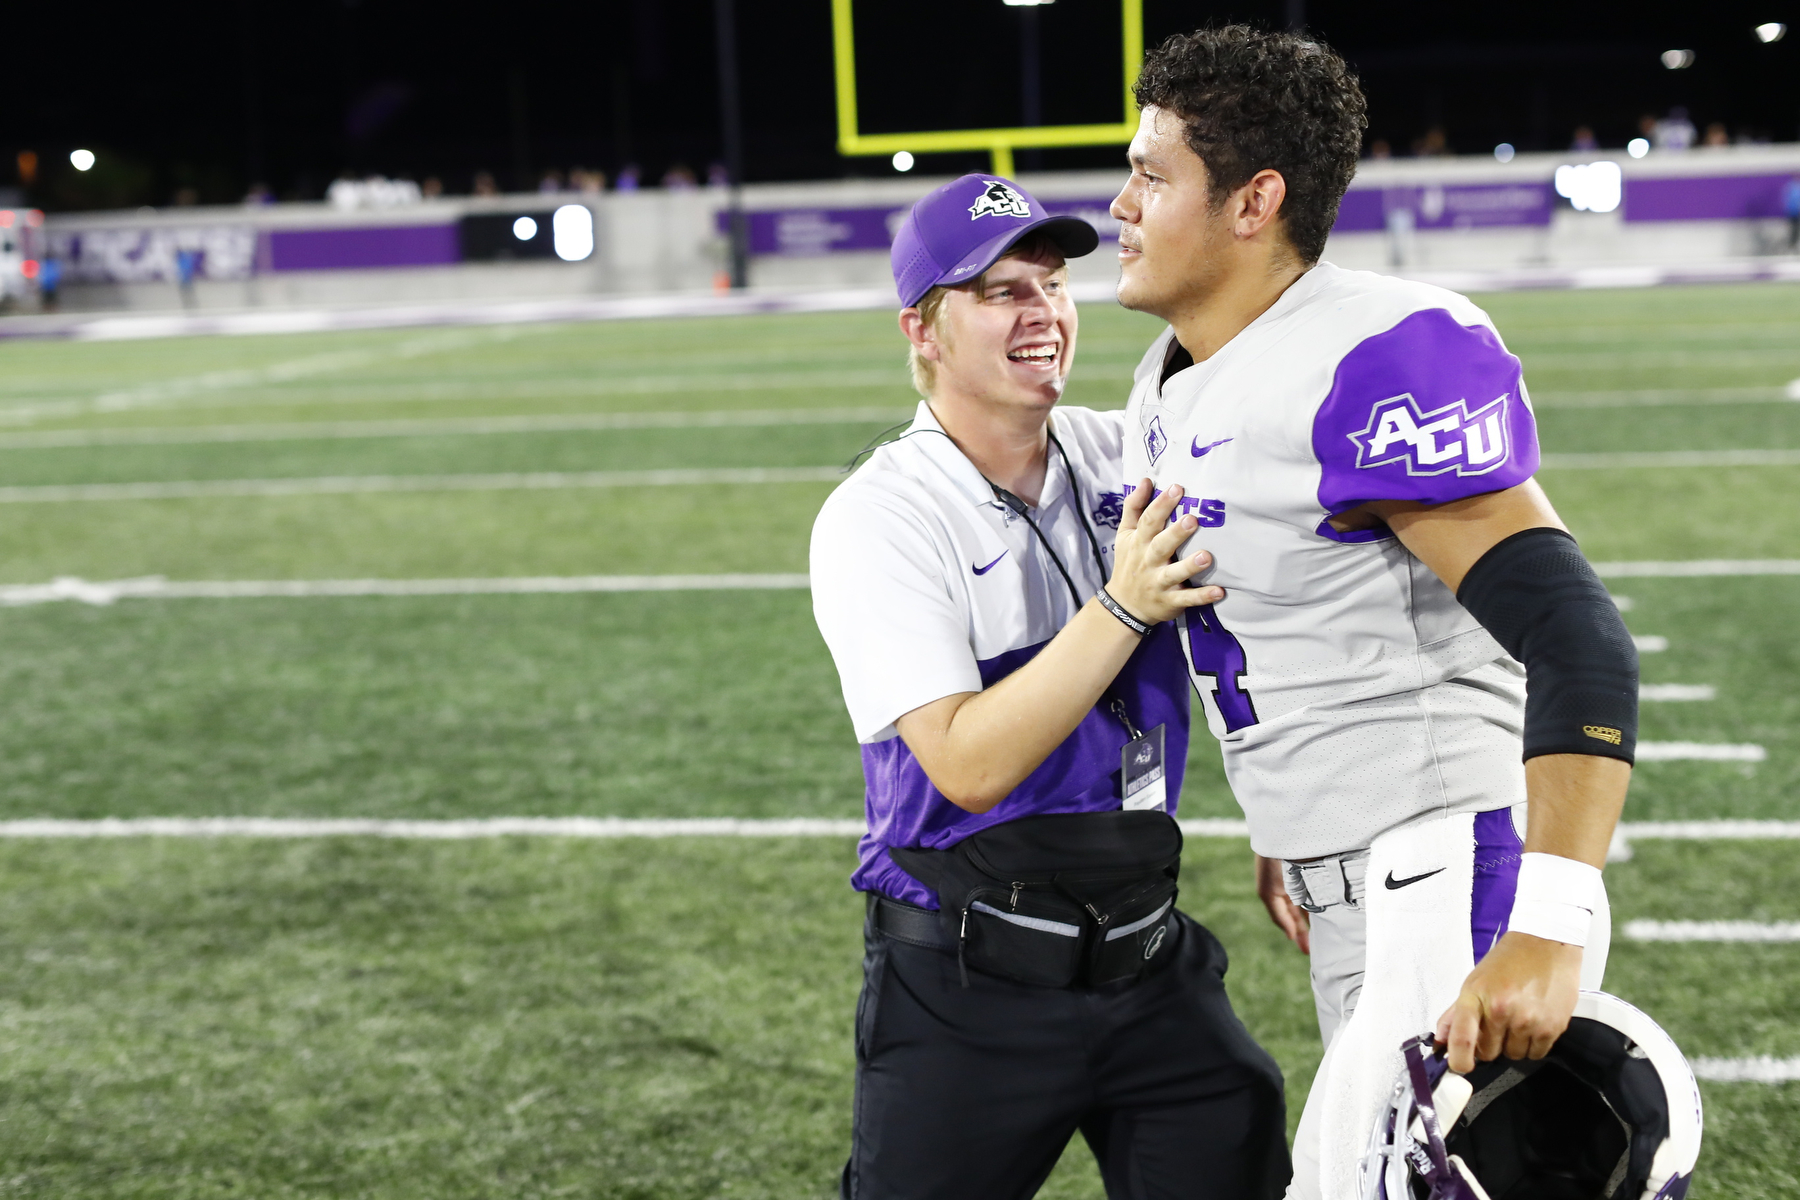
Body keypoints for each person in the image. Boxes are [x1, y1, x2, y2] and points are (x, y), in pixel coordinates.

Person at [1107, 27, 1637, 1200]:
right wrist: (1293, 816)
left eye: (1151, 175)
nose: (1120, 204)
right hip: (1364, 881)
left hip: (1448, 877)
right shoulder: (1178, 373)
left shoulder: (1373, 352)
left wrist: (1549, 921)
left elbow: (1577, 638)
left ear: (1254, 202)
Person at [810, 173, 1290, 1200]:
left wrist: (1285, 816)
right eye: (1001, 293)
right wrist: (1121, 608)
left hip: (1147, 954)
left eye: (1053, 285)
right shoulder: (881, 515)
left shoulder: (1122, 451)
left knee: (1237, 1122)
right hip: (967, 984)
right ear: (922, 328)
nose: (1043, 313)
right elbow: (967, 764)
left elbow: (1256, 628)